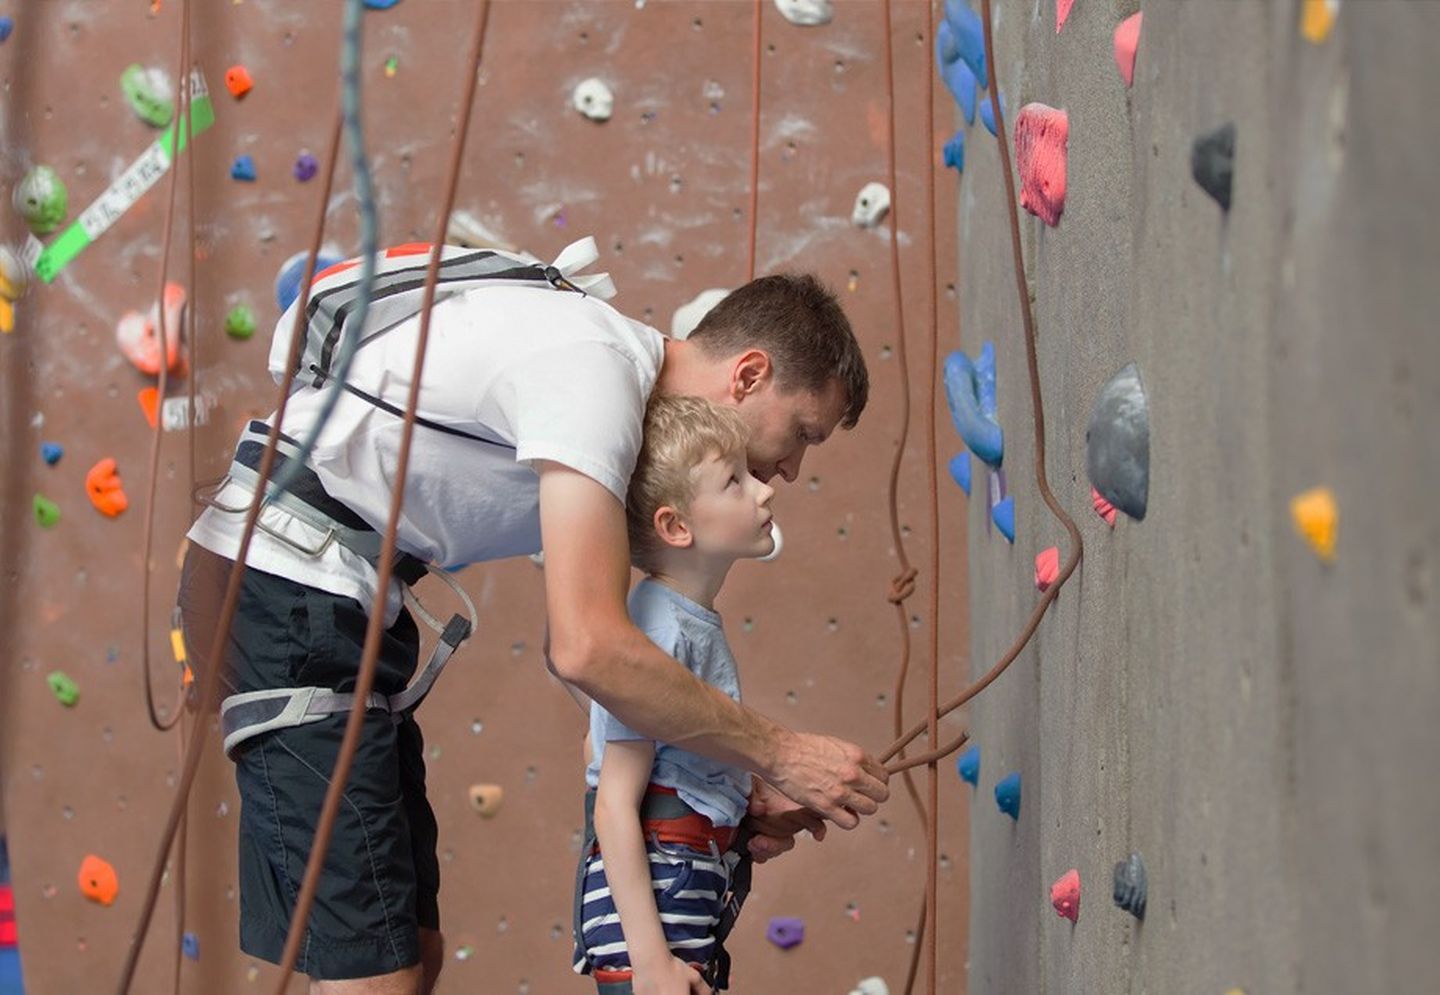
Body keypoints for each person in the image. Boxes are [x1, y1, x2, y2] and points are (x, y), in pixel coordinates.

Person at [176, 239, 889, 994]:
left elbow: (585, 656)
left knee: (412, 951)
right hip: (283, 586)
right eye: (803, 433)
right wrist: (778, 753)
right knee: (372, 976)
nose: (789, 470)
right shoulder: (593, 377)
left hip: (330, 598)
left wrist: (724, 780)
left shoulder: (608, 391)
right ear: (749, 374)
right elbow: (590, 650)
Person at [568, 394, 782, 994]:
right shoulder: (660, 630)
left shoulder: (675, 619)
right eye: (734, 482)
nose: (763, 492)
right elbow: (613, 801)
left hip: (681, 882)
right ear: (676, 525)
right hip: (654, 905)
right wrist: (651, 963)